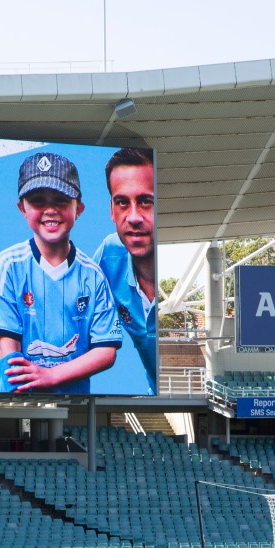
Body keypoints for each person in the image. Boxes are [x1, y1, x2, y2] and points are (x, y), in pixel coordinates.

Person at [0, 152, 120, 393]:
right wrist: (19, 402)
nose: (50, 210)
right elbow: (9, 349)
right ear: (22, 208)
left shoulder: (93, 275)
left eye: (60, 200)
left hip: (75, 407)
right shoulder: (8, 264)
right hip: (23, 406)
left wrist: (52, 375)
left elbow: (106, 351)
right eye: (37, 200)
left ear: (78, 208)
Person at [93, 147, 158, 393]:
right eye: (122, 202)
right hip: (155, 392)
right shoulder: (109, 255)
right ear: (111, 209)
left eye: (145, 202)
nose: (133, 217)